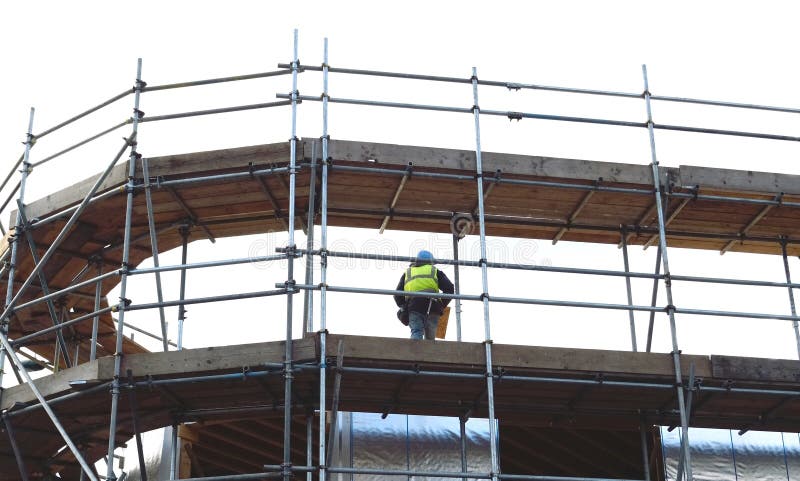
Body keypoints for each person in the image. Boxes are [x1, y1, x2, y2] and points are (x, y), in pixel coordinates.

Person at [394, 250, 455, 340]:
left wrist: (404, 306)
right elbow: (449, 288)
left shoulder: (408, 273)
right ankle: (429, 351)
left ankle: (415, 352)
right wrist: (441, 304)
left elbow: (397, 295)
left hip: (414, 306)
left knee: (416, 332)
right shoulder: (434, 271)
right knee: (430, 339)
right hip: (433, 306)